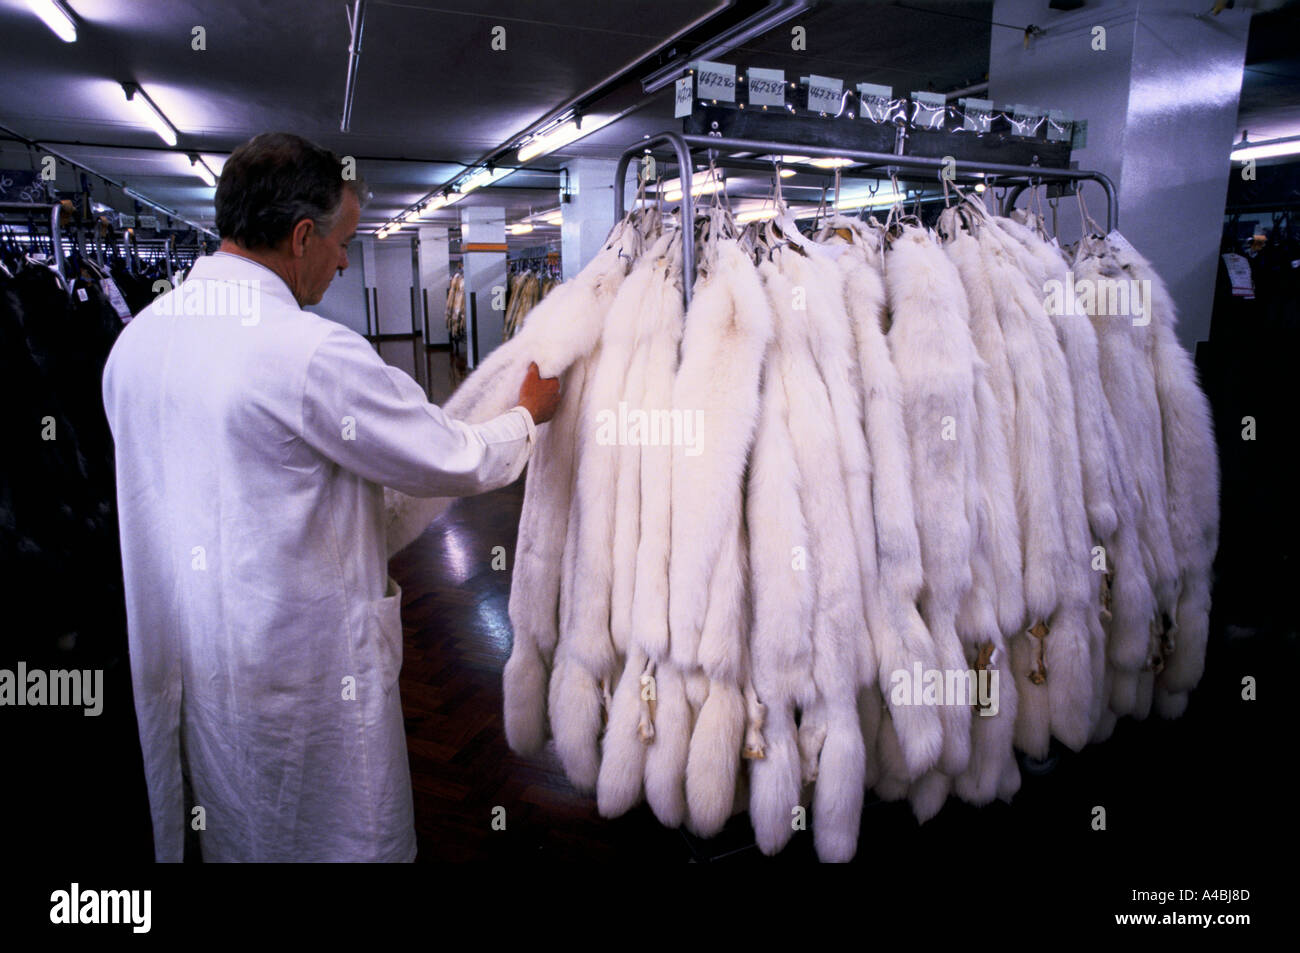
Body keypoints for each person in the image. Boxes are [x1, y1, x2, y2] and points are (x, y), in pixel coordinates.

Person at [102, 132, 559, 862]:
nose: (346, 261)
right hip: (303, 666)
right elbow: (449, 454)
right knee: (336, 825)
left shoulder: (136, 344)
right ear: (302, 235)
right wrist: (525, 414)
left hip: (199, 652)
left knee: (232, 812)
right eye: (342, 242)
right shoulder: (309, 351)